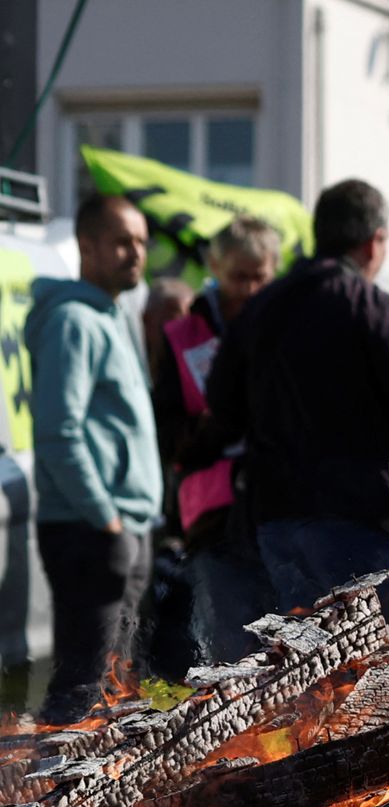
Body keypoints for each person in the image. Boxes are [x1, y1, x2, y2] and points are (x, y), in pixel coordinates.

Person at [208, 180, 389, 625]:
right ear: (374, 242)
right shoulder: (375, 308)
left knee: (312, 676)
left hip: (282, 525)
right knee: (382, 673)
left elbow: (222, 405)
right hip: (368, 527)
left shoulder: (261, 308)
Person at [27, 193, 161, 722]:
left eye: (142, 243)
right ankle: (42, 798)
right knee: (82, 691)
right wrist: (106, 519)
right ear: (87, 245)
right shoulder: (73, 323)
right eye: (122, 241)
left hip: (121, 525)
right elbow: (59, 433)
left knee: (110, 687)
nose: (136, 253)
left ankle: (95, 801)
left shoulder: (110, 314)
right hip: (92, 531)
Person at [160, 217, 279, 663]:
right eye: (237, 277)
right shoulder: (183, 336)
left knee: (290, 647)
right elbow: (168, 433)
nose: (248, 290)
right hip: (214, 515)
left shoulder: (284, 327)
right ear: (214, 266)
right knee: (234, 649)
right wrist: (214, 427)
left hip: (280, 506)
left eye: (259, 278)